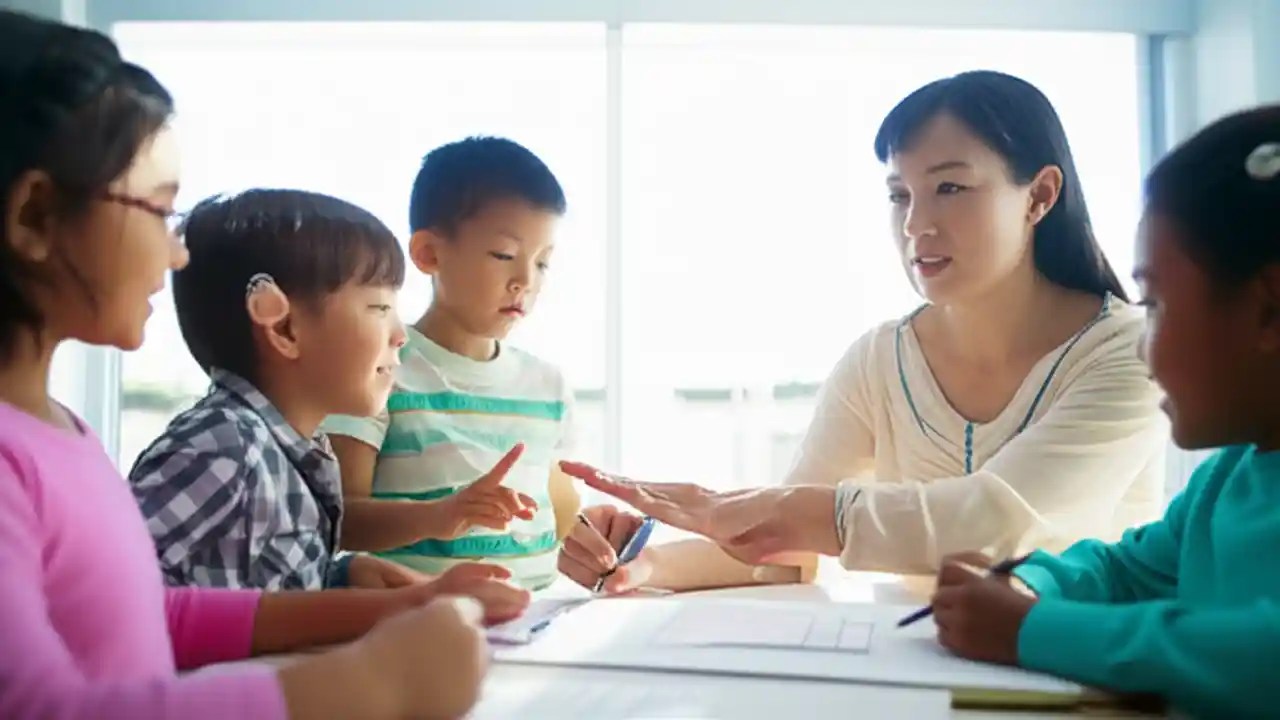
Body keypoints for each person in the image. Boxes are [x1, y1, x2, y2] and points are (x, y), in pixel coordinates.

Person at [0, 11, 504, 719]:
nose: (176, 254)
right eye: (159, 212)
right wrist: (369, 687)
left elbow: (158, 614)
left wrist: (381, 603)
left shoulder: (59, 433)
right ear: (34, 218)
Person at [560, 70, 1167, 594]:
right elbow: (789, 546)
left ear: (1039, 196)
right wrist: (639, 565)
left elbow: (995, 524)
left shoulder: (1130, 351)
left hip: (1075, 677)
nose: (916, 224)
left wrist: (778, 510)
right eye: (899, 195)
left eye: (949, 188)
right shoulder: (882, 359)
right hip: (923, 667)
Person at [929, 104, 1280, 720]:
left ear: (1270, 310)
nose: (1144, 347)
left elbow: (1262, 658)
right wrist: (1028, 584)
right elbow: (1125, 569)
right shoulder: (1228, 480)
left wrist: (1031, 631)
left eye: (1156, 304)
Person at [129, 188, 525, 596]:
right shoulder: (221, 450)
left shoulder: (293, 449)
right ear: (284, 330)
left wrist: (341, 578)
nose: (400, 335)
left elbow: (260, 586)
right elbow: (113, 598)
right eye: (379, 309)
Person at [323, 136, 579, 590]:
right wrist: (440, 516)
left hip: (536, 622)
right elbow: (339, 519)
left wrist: (599, 538)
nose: (525, 280)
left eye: (543, 264)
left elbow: (558, 518)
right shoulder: (379, 371)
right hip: (421, 620)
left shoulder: (547, 384)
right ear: (429, 254)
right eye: (504, 256)